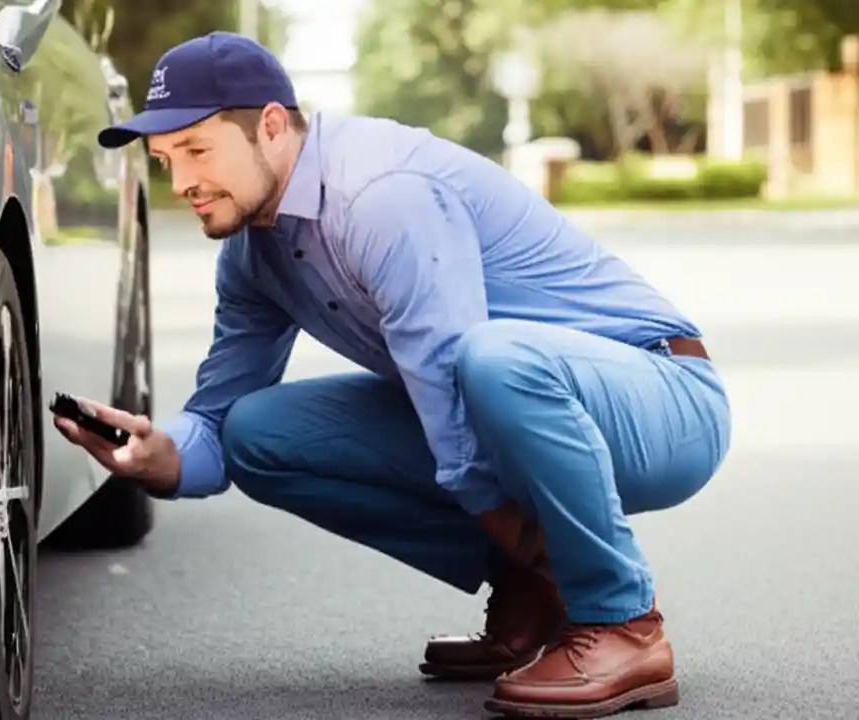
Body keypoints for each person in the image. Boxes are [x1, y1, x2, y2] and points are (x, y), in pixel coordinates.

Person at [53, 31, 731, 719]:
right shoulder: (253, 253)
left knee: (489, 362)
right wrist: (159, 457)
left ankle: (622, 621)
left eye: (198, 150)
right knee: (256, 432)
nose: (184, 182)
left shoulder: (380, 194)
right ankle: (538, 593)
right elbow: (220, 420)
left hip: (661, 399)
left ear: (271, 125)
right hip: (512, 402)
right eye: (167, 160)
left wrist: (511, 527)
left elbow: (447, 379)